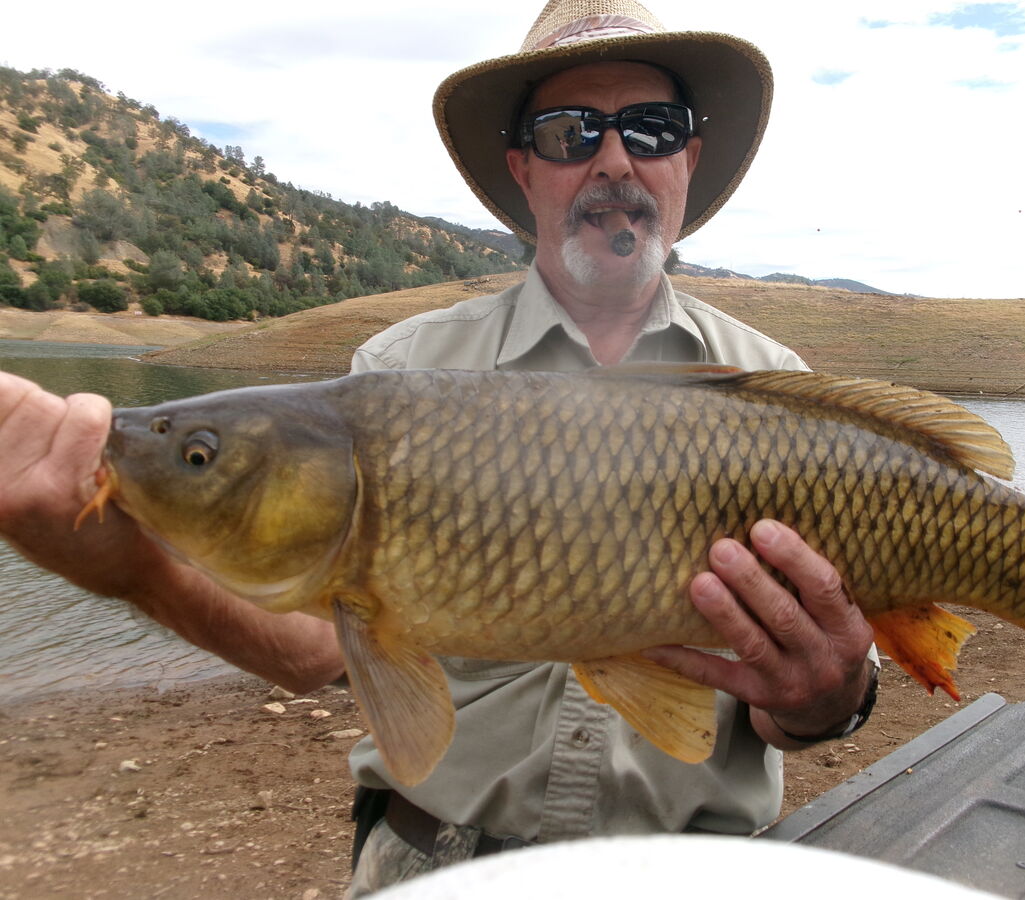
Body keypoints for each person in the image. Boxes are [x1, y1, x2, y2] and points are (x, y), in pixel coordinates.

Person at [0, 1, 877, 894]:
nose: (614, 158)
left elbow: (829, 695)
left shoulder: (784, 392)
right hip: (435, 862)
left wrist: (828, 699)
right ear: (523, 168)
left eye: (650, 128)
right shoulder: (394, 373)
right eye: (570, 132)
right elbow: (312, 650)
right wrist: (131, 568)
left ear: (686, 158)